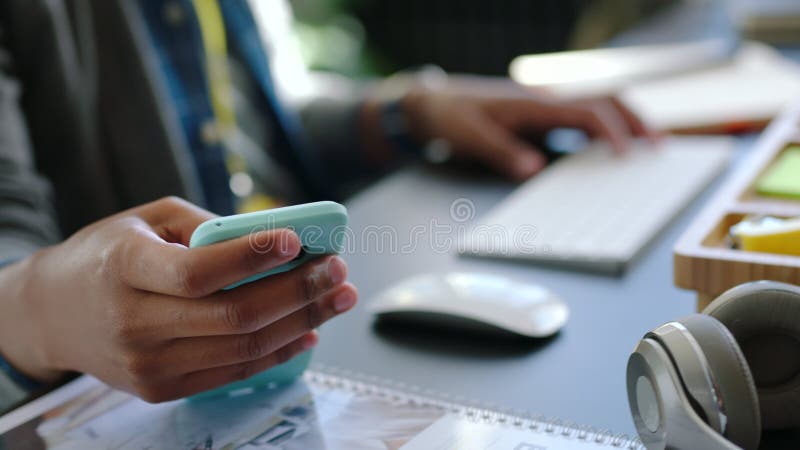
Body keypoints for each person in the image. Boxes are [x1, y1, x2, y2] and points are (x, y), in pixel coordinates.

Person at [0, 0, 651, 411]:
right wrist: (39, 310)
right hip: (136, 395)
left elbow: (241, 133)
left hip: (302, 351)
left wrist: (408, 110)